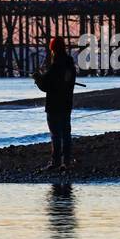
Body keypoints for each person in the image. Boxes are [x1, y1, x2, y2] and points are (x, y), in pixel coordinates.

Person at [33, 36, 77, 171]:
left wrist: (37, 78)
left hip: (54, 105)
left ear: (53, 49)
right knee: (66, 133)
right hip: (66, 103)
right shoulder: (70, 64)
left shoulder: (55, 66)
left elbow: (46, 86)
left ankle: (56, 162)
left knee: (55, 135)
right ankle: (67, 162)